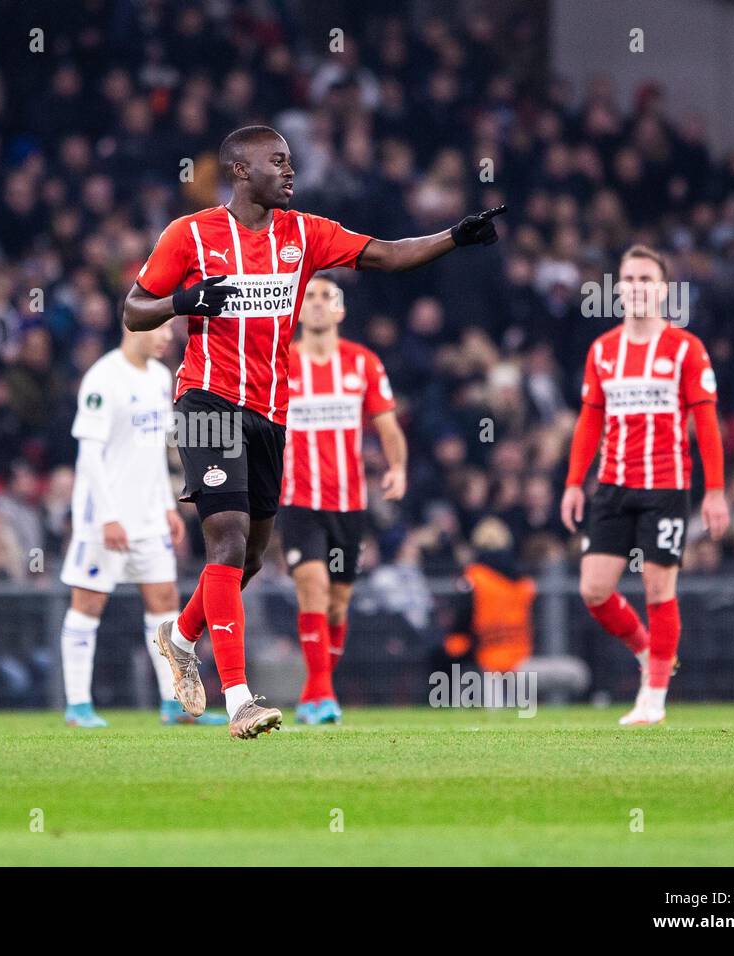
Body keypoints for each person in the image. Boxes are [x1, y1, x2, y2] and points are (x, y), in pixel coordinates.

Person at [124, 124, 503, 738]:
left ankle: (181, 635)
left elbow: (385, 253)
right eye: (278, 161)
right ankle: (241, 699)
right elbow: (134, 309)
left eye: (292, 160)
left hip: (272, 414)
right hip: (208, 402)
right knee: (225, 542)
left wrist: (455, 237)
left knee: (247, 559)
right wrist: (188, 300)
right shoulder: (190, 234)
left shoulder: (305, 233)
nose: (291, 170)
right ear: (242, 170)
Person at [560, 245, 729, 725]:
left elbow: (708, 425)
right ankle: (647, 651)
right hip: (612, 487)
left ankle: (653, 697)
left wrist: (715, 491)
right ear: (618, 289)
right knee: (593, 590)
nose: (636, 288)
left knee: (659, 587)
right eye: (629, 280)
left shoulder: (685, 349)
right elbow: (589, 422)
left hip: (666, 487)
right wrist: (574, 483)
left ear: (663, 291)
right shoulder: (603, 350)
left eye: (646, 281)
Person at [58, 322, 224, 727]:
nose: (169, 336)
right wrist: (108, 515)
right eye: (162, 328)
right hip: (105, 519)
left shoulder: (160, 376)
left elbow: (153, 452)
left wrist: (168, 505)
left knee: (165, 601)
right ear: (134, 327)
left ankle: (174, 704)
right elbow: (90, 457)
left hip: (149, 517)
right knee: (89, 605)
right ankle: (78, 706)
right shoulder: (103, 378)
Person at [276, 275, 406, 724]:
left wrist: (398, 468)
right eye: (308, 296)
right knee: (311, 586)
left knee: (338, 602)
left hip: (350, 503)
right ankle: (322, 693)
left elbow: (387, 425)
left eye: (326, 296)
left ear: (340, 310)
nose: (315, 303)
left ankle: (315, 696)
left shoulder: (363, 363)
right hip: (298, 499)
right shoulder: (280, 363)